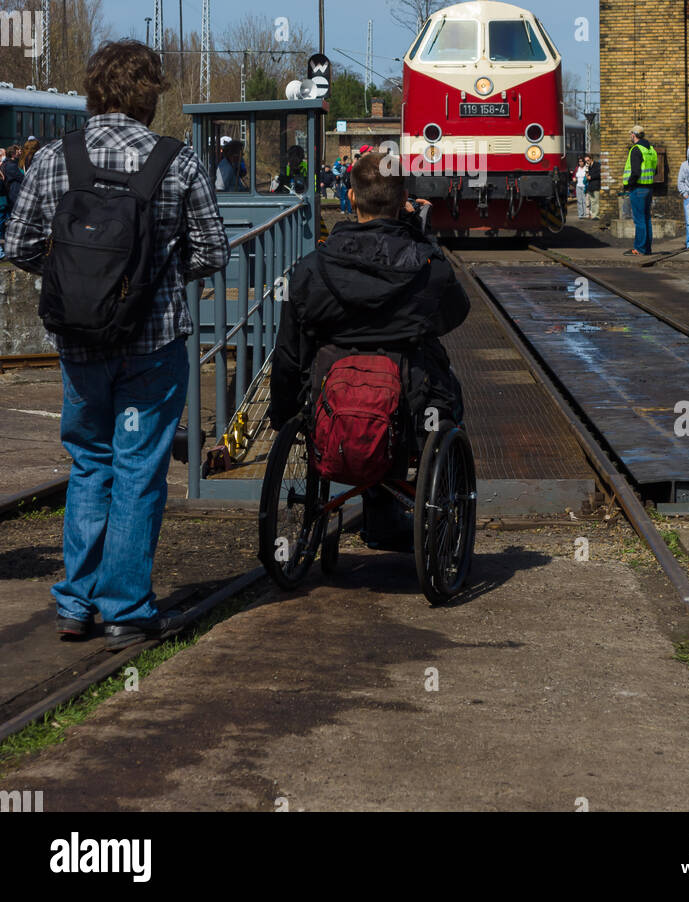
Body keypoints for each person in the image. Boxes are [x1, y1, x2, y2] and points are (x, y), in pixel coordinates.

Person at [4, 40, 230, 649]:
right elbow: (213, 251)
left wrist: (82, 287)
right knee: (139, 469)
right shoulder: (177, 163)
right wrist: (150, 280)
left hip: (79, 346)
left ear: (94, 90)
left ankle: (76, 605)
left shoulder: (54, 158)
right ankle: (127, 610)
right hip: (153, 347)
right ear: (149, 96)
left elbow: (19, 246)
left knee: (89, 462)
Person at [270, 148, 468, 448]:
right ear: (403, 200)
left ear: (350, 197)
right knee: (448, 388)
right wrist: (422, 237)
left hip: (330, 404)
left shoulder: (310, 270)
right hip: (410, 408)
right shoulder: (429, 267)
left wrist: (283, 416)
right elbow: (456, 311)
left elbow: (288, 352)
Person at [621, 125, 658, 256]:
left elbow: (635, 171)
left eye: (631, 134)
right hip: (648, 188)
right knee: (646, 219)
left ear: (633, 135)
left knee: (639, 220)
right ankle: (647, 248)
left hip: (638, 188)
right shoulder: (651, 149)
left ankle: (640, 249)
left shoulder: (636, 149)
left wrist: (628, 184)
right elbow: (656, 170)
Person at [584, 154, 601, 219]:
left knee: (596, 201)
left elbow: (599, 174)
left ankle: (596, 215)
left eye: (588, 160)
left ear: (591, 159)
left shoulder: (597, 165)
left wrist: (591, 177)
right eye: (586, 161)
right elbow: (587, 176)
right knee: (592, 201)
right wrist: (586, 173)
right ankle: (593, 215)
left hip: (596, 185)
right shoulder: (588, 166)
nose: (587, 162)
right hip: (590, 186)